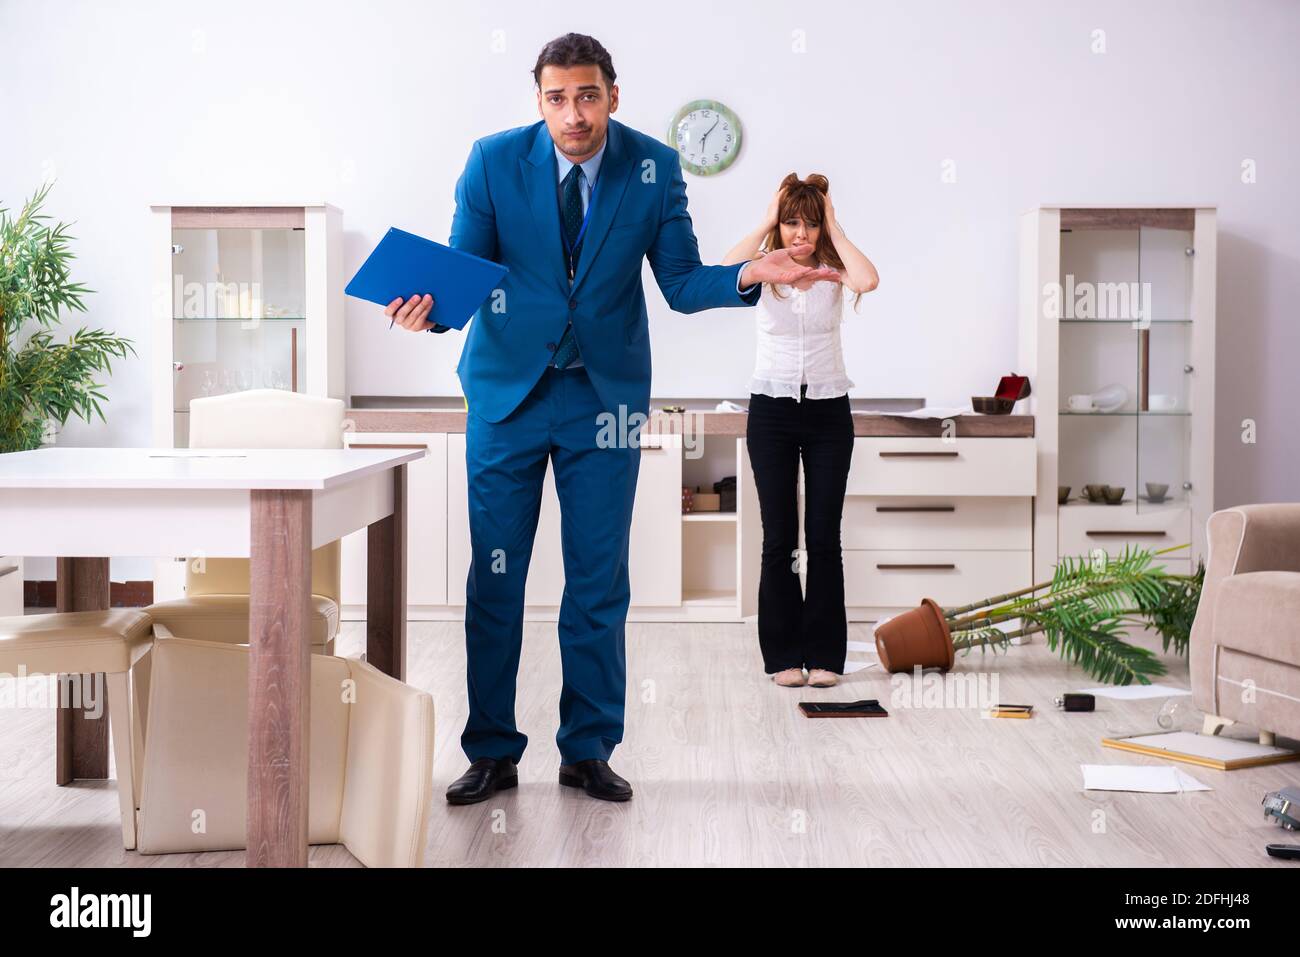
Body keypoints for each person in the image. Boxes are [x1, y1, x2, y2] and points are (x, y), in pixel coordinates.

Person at [386, 35, 840, 803]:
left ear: (613, 96)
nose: (574, 113)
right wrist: (426, 314)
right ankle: (492, 751)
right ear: (539, 102)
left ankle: (587, 748)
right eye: (558, 98)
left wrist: (749, 275)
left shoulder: (654, 168)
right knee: (496, 576)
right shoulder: (493, 161)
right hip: (508, 398)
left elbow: (683, 282)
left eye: (588, 96)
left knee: (598, 582)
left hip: (603, 401)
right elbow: (463, 274)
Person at [722, 173, 879, 688]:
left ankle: (827, 657)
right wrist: (767, 221)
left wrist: (833, 222)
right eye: (792, 222)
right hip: (771, 411)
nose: (801, 234)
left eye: (810, 224)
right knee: (779, 537)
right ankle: (784, 656)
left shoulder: (835, 271)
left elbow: (868, 280)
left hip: (830, 412)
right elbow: (723, 270)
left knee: (824, 537)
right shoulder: (765, 271)